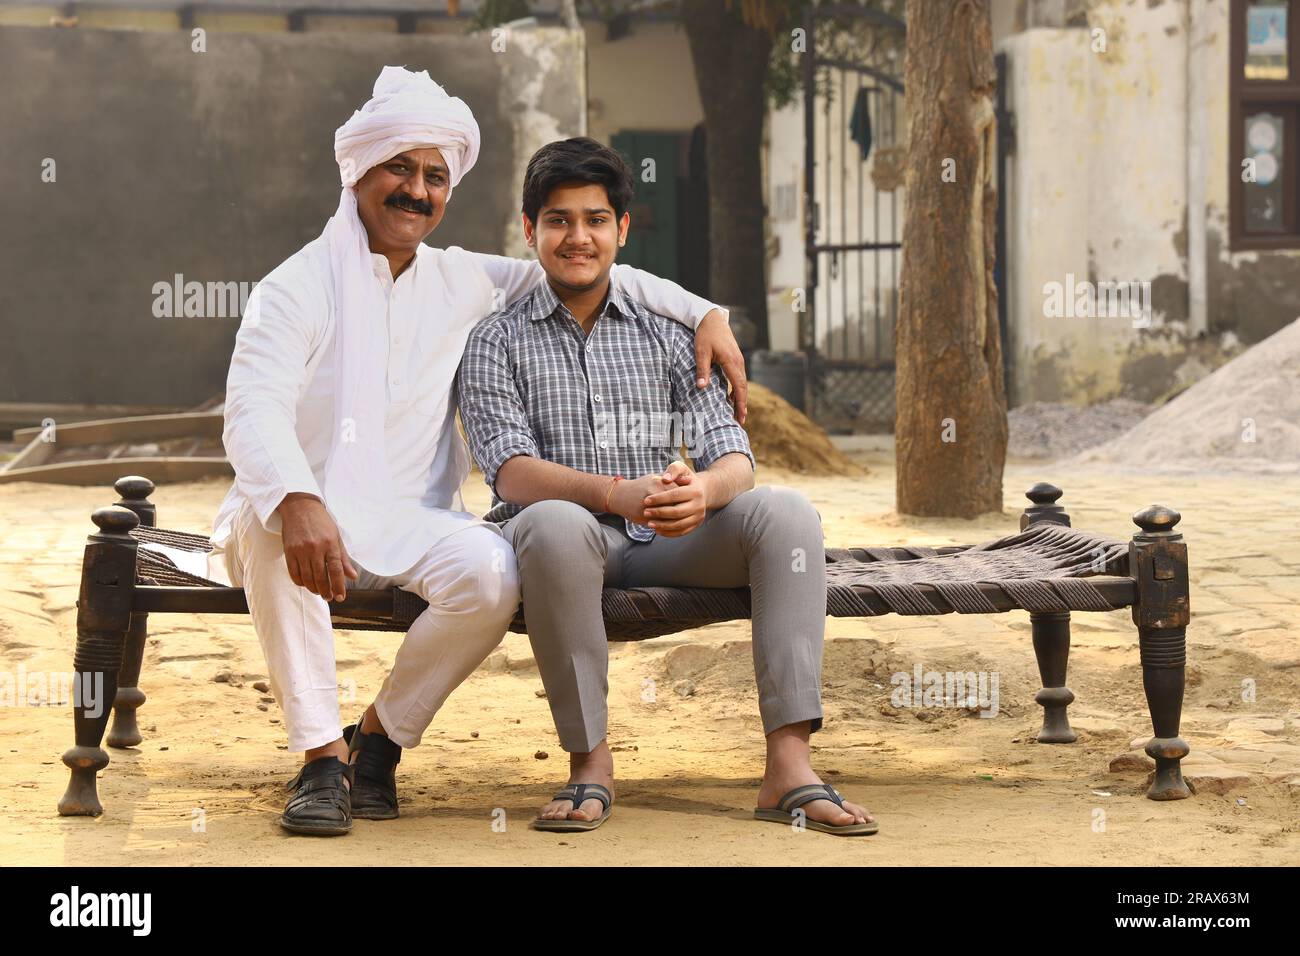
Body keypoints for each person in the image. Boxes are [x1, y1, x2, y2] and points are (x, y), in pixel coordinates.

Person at [209, 69, 746, 836]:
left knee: (494, 574)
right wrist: (298, 499)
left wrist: (706, 312)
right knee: (272, 529)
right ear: (360, 171)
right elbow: (252, 408)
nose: (417, 190)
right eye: (400, 168)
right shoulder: (294, 288)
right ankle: (320, 760)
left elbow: (584, 267)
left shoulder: (461, 280)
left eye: (435, 176)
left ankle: (380, 741)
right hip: (304, 510)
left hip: (407, 518)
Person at [457, 137, 876, 836]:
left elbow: (734, 457)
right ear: (530, 231)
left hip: (666, 538)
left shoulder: (673, 334)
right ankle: (590, 760)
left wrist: (702, 491)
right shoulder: (495, 340)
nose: (578, 237)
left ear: (622, 229)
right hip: (563, 544)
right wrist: (617, 493)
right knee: (552, 522)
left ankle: (789, 765)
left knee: (787, 516)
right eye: (558, 220)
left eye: (595, 219)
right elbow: (510, 471)